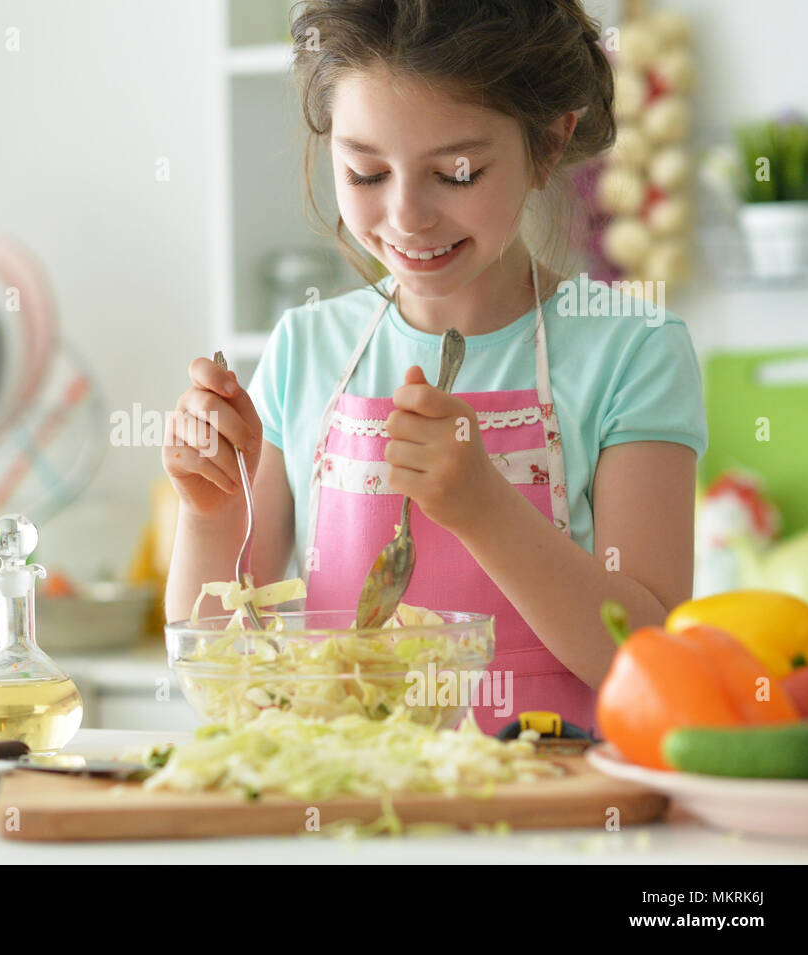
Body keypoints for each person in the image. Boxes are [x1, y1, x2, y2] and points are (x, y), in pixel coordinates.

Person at [161, 0, 707, 734]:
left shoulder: (633, 351)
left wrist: (485, 508)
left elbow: (648, 658)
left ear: (549, 144)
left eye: (457, 173)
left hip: (560, 822)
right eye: (365, 172)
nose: (407, 215)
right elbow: (223, 669)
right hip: (352, 813)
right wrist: (211, 513)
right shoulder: (304, 350)